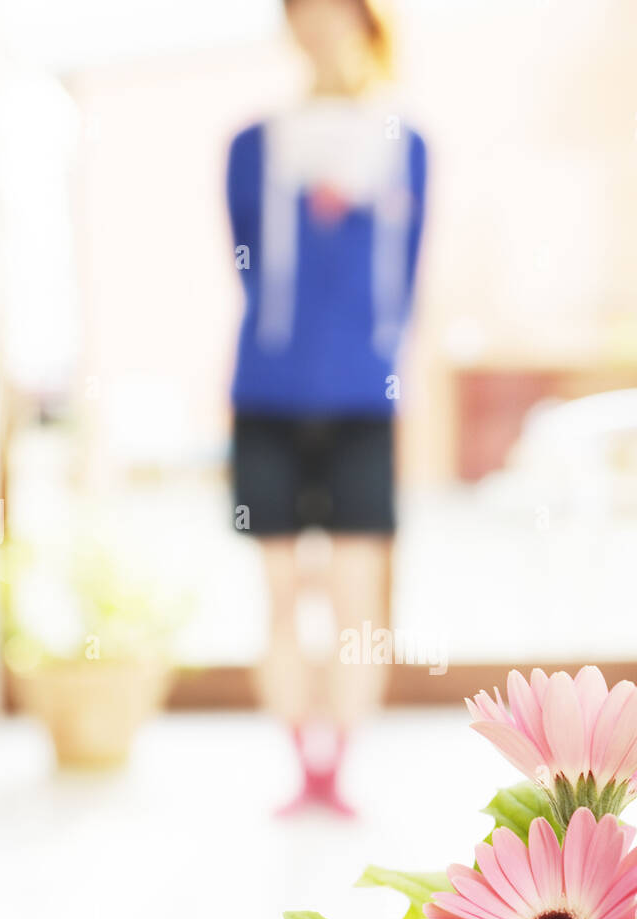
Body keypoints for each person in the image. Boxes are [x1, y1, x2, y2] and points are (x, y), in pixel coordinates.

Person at [227, 0, 426, 815]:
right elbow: (245, 261)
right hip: (266, 395)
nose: (319, 25)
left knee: (354, 596)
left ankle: (337, 767)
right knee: (277, 590)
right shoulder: (253, 145)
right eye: (303, 11)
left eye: (336, 11)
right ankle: (297, 763)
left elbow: (404, 278)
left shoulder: (405, 148)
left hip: (363, 403)